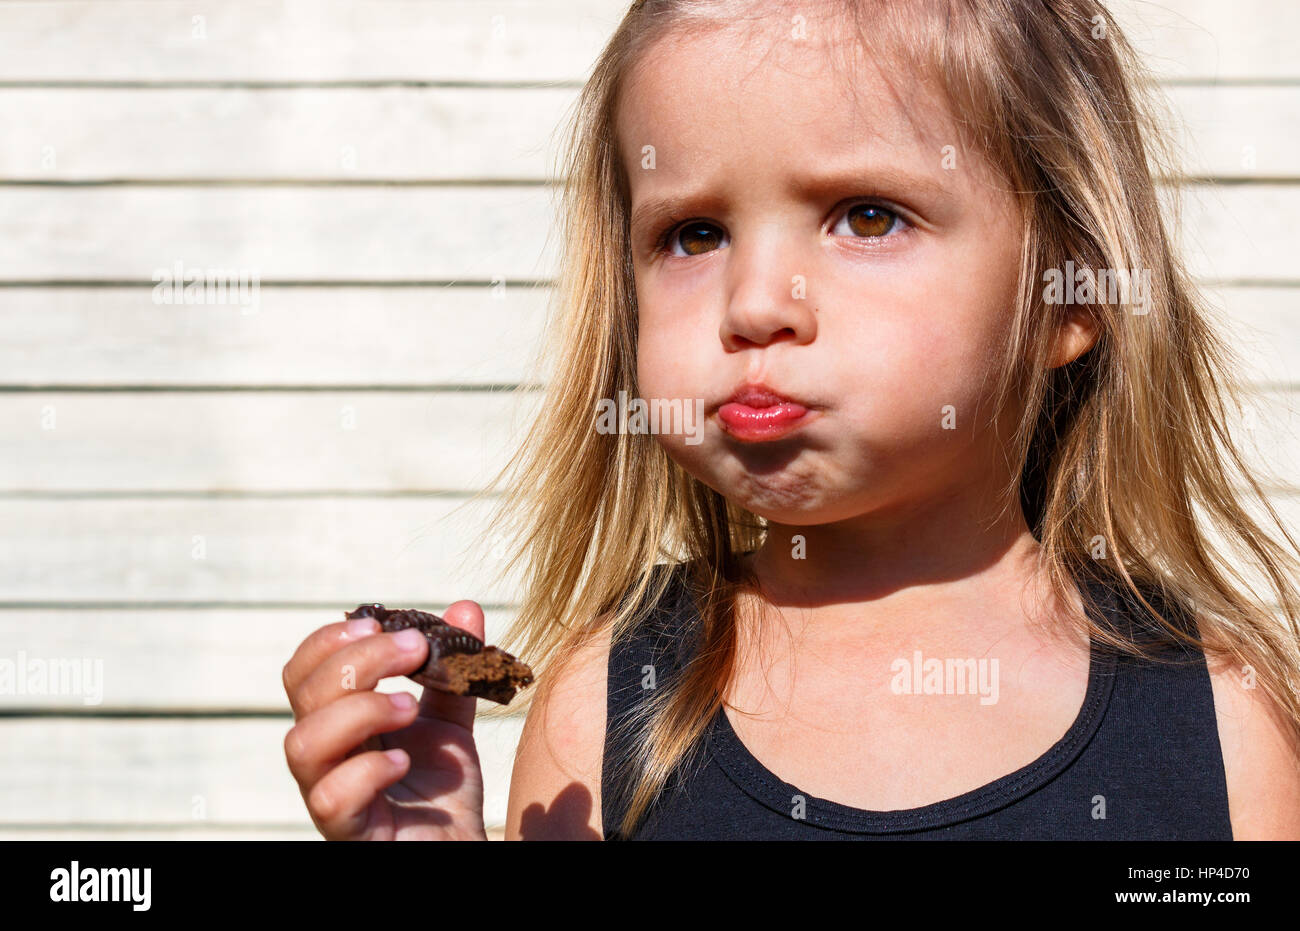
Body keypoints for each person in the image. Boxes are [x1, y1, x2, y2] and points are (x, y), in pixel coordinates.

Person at [282, 0, 1300, 840]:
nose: (755, 302)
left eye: (866, 216)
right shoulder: (604, 710)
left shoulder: (1219, 726)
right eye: (693, 234)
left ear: (1066, 295)